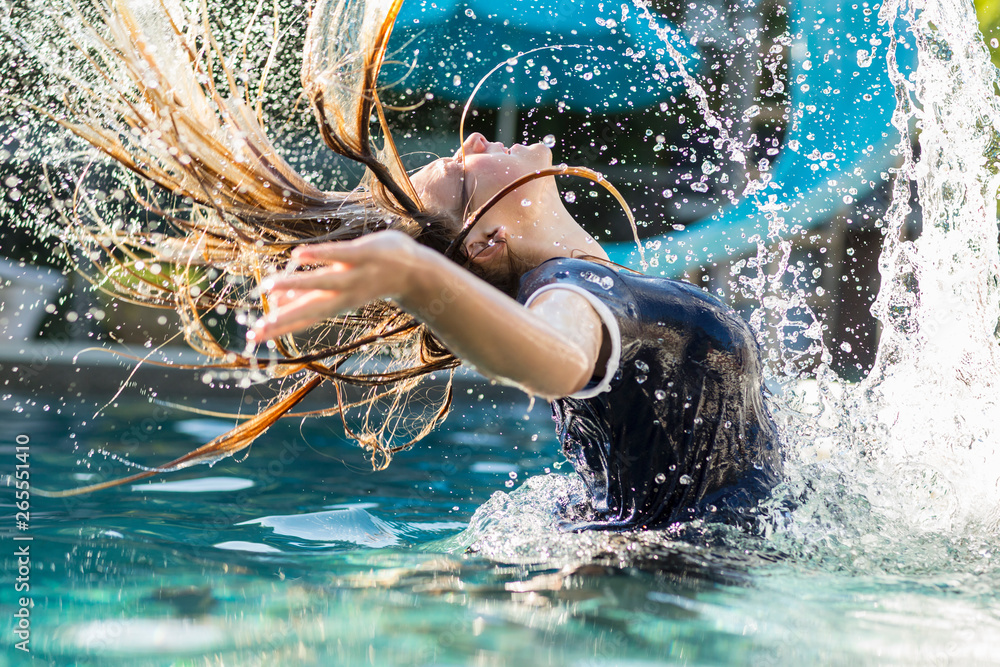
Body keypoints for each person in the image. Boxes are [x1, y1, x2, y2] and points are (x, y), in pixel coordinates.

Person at [36, 0, 780, 530]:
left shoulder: (588, 284)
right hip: (667, 598)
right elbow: (556, 358)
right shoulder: (571, 294)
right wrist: (410, 273)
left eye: (455, 163)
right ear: (486, 245)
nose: (477, 145)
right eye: (463, 179)